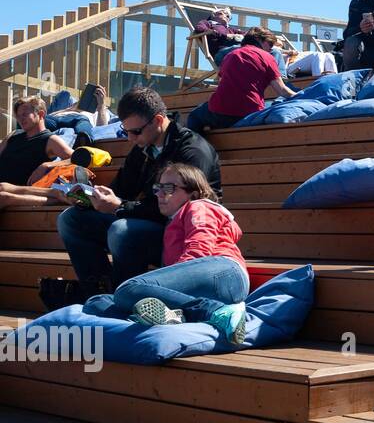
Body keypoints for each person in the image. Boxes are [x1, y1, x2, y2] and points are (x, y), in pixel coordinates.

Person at [56, 85, 222, 294]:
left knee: (121, 231)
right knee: (71, 219)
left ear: (158, 121)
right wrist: (91, 199)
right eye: (126, 131)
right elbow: (121, 189)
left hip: (184, 234)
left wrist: (120, 207)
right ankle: (99, 292)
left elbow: (171, 208)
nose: (130, 138)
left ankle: (127, 298)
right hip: (154, 223)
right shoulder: (144, 146)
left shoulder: (193, 151)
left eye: (135, 132)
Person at [82, 163, 248, 345]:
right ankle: (177, 317)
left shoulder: (199, 206)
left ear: (193, 192)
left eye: (169, 188)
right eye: (158, 188)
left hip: (224, 272)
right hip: (205, 287)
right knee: (96, 302)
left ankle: (216, 311)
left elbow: (199, 248)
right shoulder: (173, 221)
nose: (160, 194)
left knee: (127, 290)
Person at [186, 26, 297, 134]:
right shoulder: (268, 57)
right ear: (259, 40)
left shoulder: (230, 55)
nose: (271, 48)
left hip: (220, 112)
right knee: (273, 104)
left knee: (195, 116)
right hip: (249, 113)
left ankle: (200, 148)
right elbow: (282, 90)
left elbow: (222, 83)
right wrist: (303, 96)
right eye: (270, 44)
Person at [0, 97, 75, 209]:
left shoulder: (50, 140)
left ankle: (54, 195)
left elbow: (79, 158)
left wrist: (48, 165)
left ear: (40, 114)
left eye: (25, 114)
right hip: (4, 188)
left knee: (2, 193)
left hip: (25, 193)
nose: (20, 119)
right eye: (18, 116)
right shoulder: (13, 136)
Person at [44, 84, 111, 147]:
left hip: (76, 124)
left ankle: (85, 143)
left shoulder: (102, 113)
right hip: (59, 119)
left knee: (76, 126)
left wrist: (101, 106)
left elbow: (102, 130)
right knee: (65, 94)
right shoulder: (72, 106)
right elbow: (52, 116)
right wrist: (71, 109)